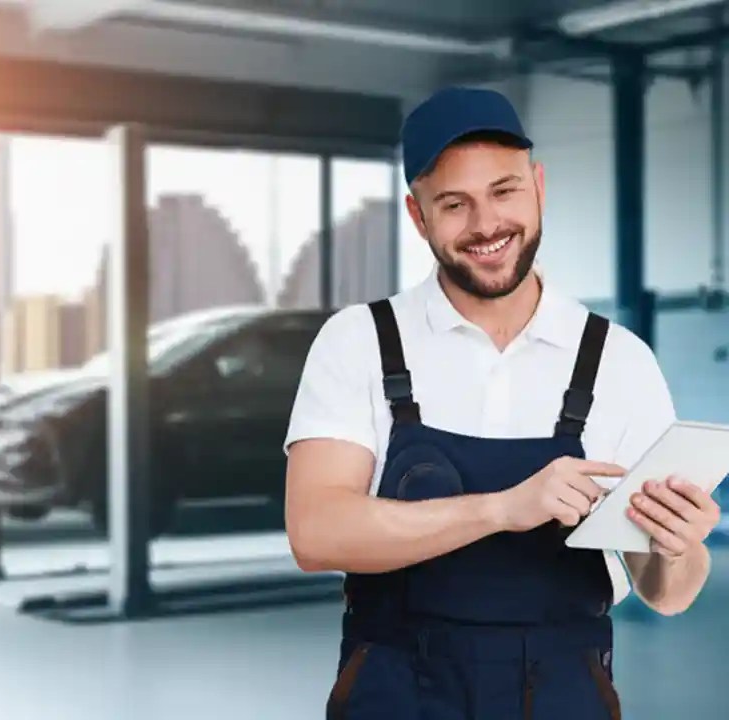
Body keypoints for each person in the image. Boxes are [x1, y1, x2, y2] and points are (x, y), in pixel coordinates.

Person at [282, 86, 722, 720]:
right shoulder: (361, 342)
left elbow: (665, 593)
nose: (486, 225)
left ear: (538, 185)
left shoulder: (618, 360)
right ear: (417, 215)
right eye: (454, 204)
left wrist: (678, 547)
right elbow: (316, 533)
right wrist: (503, 508)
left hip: (565, 698)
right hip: (397, 694)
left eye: (504, 191)